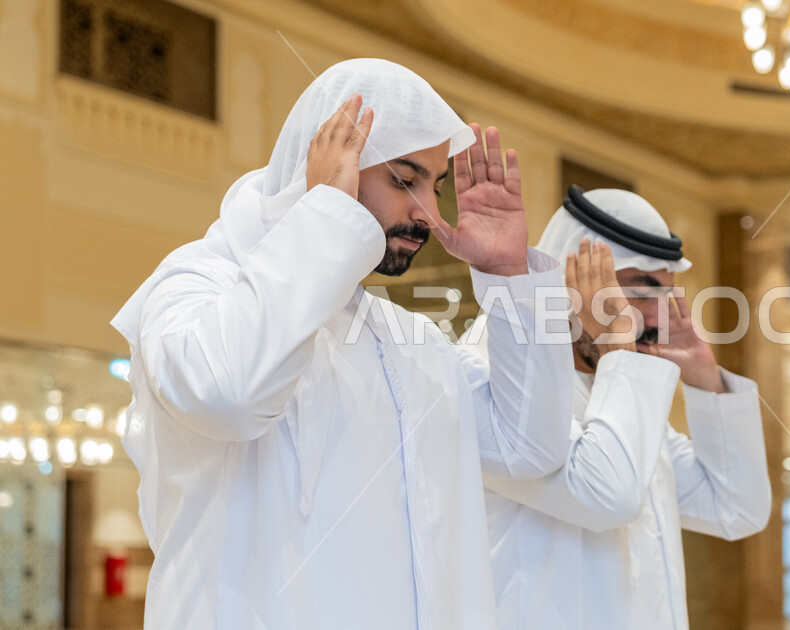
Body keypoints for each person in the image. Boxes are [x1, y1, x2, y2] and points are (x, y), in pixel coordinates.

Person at [109, 59, 574, 629]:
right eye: (404, 179)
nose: (428, 212)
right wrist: (325, 209)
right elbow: (227, 395)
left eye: (435, 185)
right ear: (327, 162)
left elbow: (531, 446)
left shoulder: (408, 339)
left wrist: (510, 276)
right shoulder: (195, 285)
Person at [478, 186, 772, 630]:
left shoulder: (610, 393)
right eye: (639, 292)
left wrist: (705, 380)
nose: (656, 319)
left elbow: (736, 508)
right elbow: (608, 497)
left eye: (665, 297)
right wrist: (622, 351)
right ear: (566, 283)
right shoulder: (497, 378)